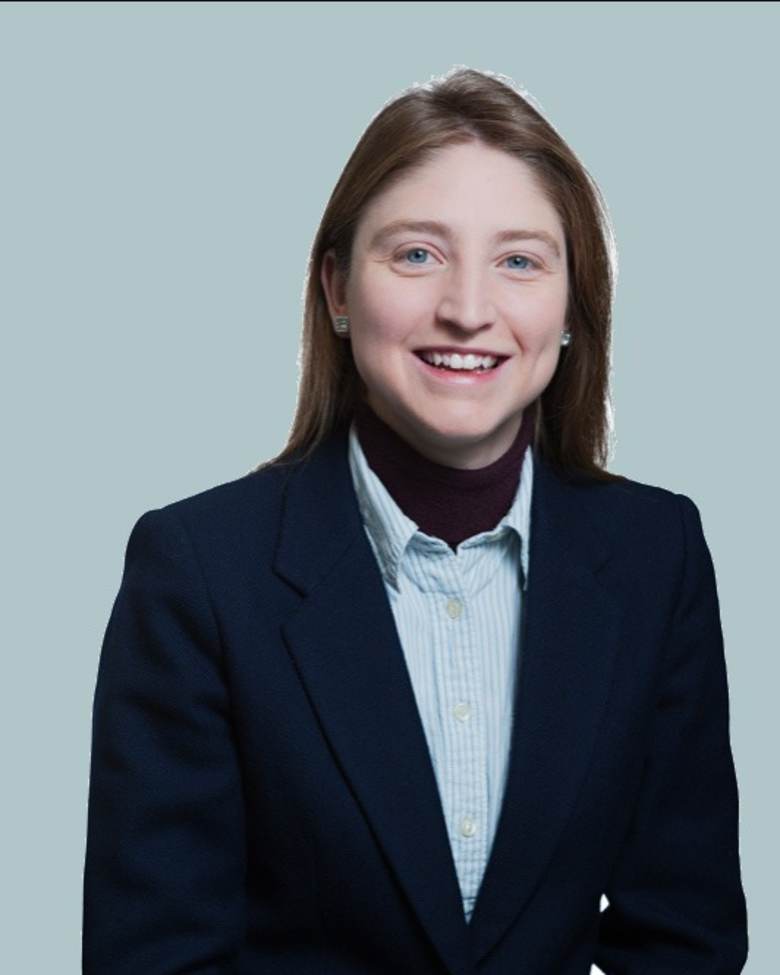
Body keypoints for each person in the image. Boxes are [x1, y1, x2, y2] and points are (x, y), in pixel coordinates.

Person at [82, 67, 748, 974]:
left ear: (570, 306)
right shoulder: (197, 573)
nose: (467, 310)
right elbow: (156, 958)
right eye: (417, 255)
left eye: (519, 261)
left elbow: (686, 937)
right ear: (337, 289)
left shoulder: (655, 555)